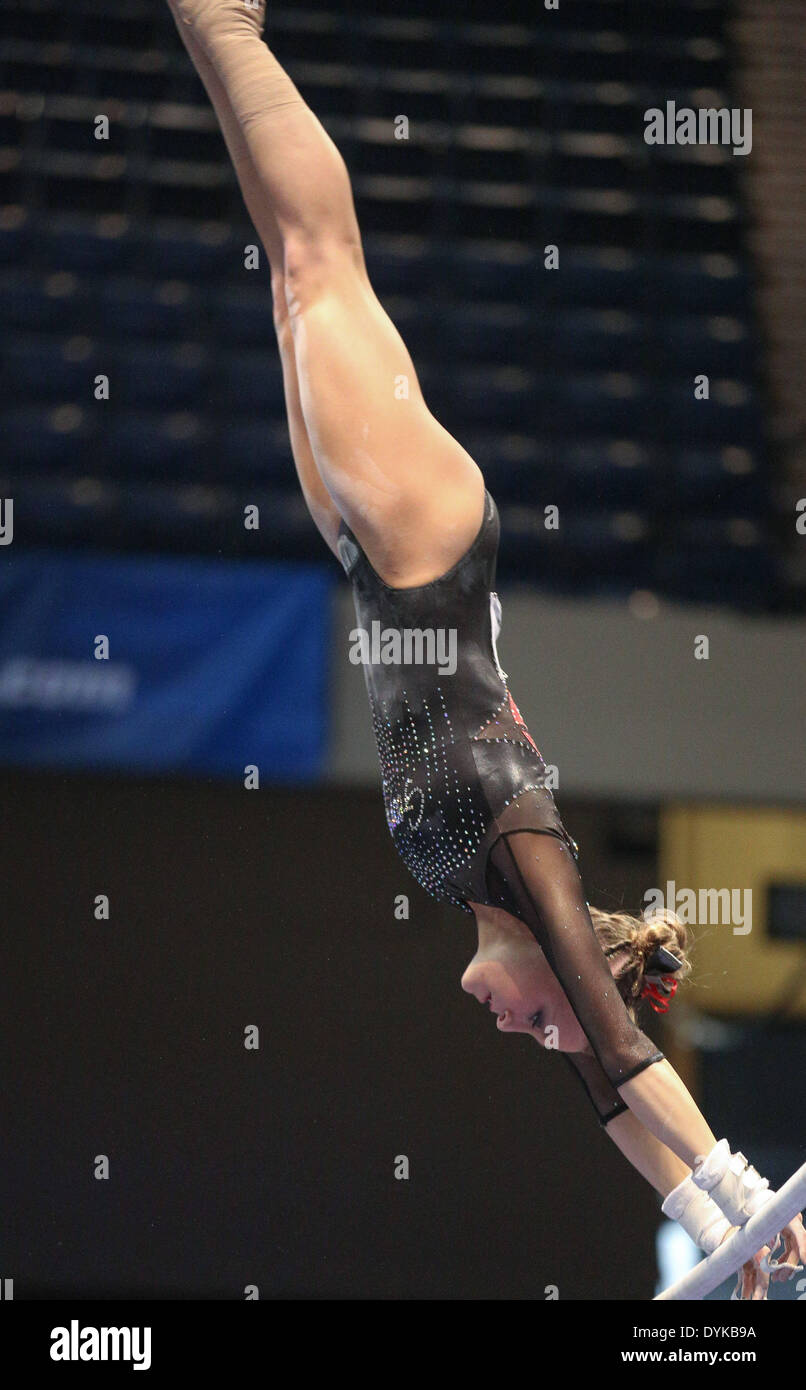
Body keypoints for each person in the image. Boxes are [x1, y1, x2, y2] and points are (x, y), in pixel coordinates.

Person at [166, 0, 805, 1297]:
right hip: (428, 547)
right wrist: (739, 1193)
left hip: (374, 563)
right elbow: (620, 1054)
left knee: (295, 269)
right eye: (542, 1024)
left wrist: (712, 1224)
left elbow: (604, 1091)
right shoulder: (527, 851)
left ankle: (218, 27)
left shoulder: (485, 894)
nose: (519, 1031)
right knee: (324, 263)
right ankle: (221, 24)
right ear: (572, 984)